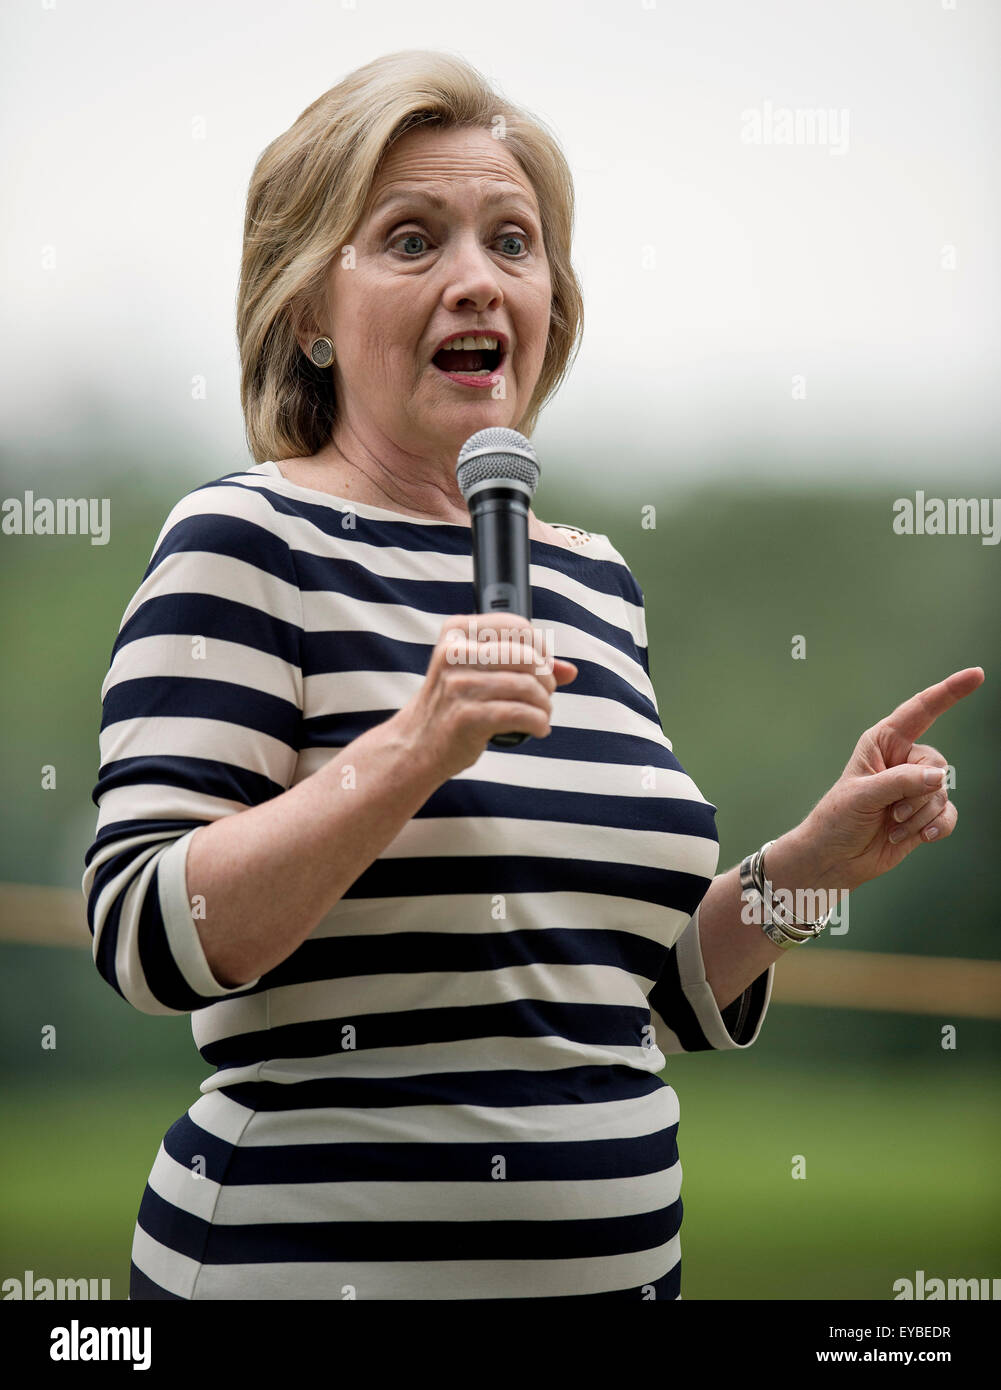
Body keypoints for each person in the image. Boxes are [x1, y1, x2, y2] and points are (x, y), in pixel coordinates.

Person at [81, 49, 982, 1301]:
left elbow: (643, 1000)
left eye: (512, 242)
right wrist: (413, 747)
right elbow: (141, 935)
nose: (476, 279)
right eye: (410, 240)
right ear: (305, 313)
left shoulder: (594, 580)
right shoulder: (246, 542)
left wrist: (804, 872)